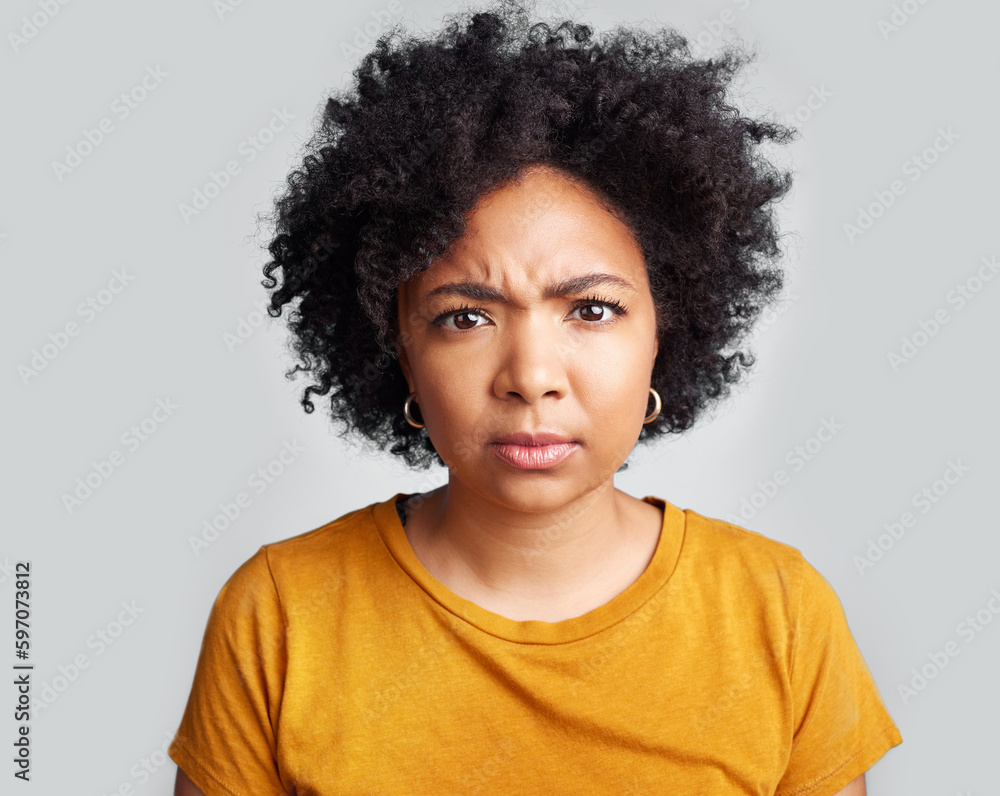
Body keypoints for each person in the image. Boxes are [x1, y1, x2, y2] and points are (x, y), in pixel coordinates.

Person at [170, 1, 902, 792]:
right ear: (401, 351)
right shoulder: (281, 616)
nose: (531, 375)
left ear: (666, 331)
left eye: (592, 310)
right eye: (466, 317)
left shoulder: (779, 612)